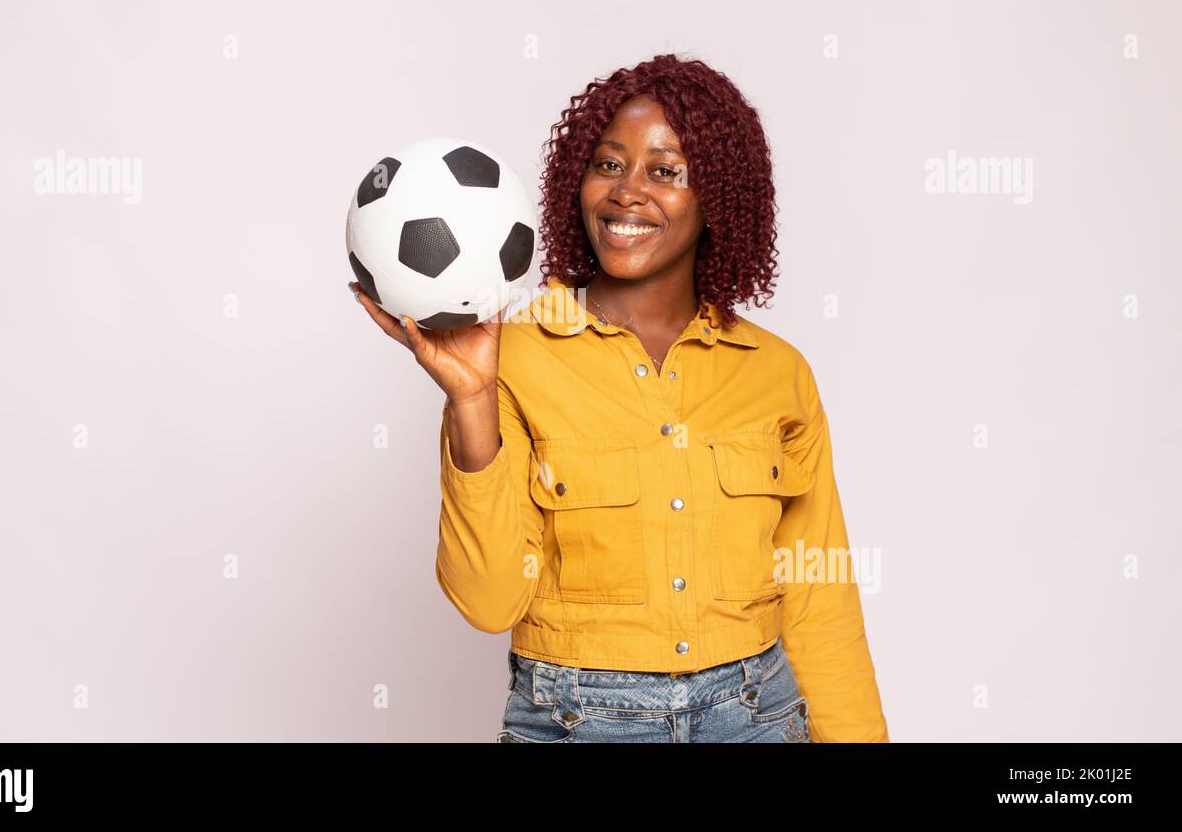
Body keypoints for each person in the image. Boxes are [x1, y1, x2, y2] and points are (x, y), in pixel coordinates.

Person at [350, 53, 889, 743]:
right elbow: (489, 601)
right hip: (577, 722)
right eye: (608, 165)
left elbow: (821, 607)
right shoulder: (511, 356)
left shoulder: (777, 374)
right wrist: (472, 400)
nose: (626, 193)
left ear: (717, 195)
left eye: (663, 171)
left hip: (757, 718)